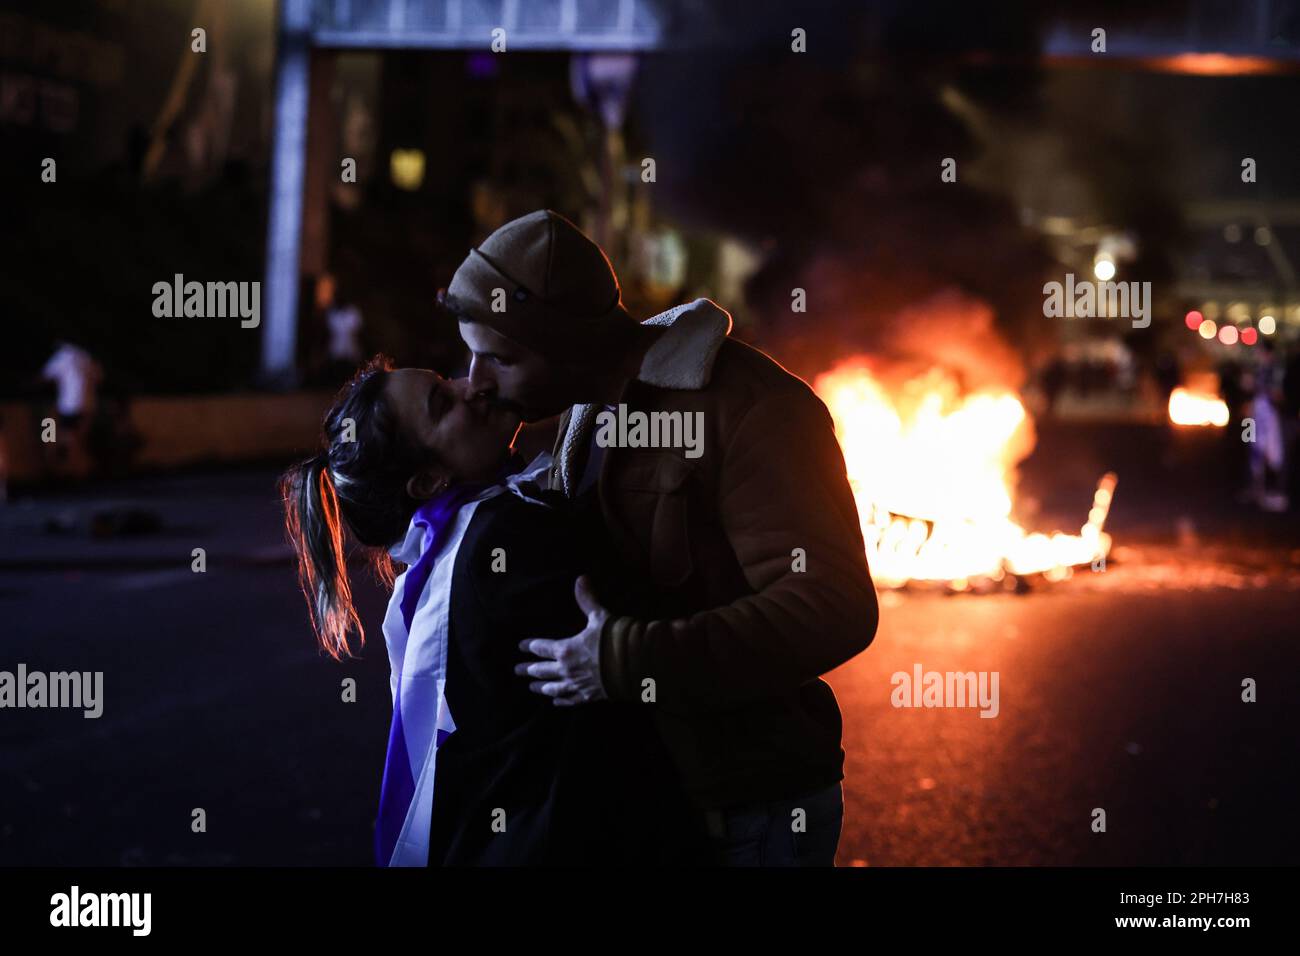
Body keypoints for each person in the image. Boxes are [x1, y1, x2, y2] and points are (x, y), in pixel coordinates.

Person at [441, 209, 879, 866]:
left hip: (747, 806)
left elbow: (836, 606)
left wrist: (628, 659)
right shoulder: (583, 412)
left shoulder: (753, 407)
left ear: (565, 343)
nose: (475, 380)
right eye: (471, 354)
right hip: (643, 801)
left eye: (500, 357)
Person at [280, 357, 680, 866]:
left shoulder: (456, 543)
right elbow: (664, 595)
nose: (472, 388)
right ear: (427, 482)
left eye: (447, 381)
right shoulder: (501, 539)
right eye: (442, 404)